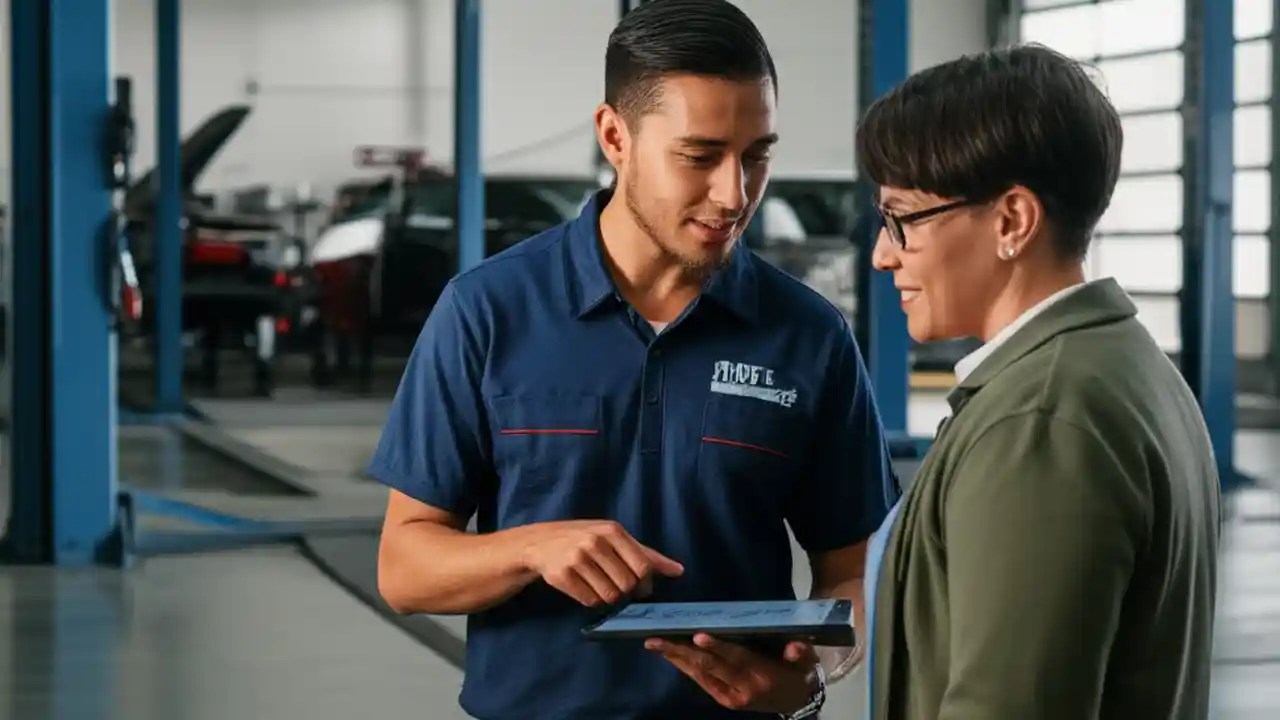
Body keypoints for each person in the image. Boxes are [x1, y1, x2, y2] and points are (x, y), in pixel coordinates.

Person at [367, 1, 896, 718]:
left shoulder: (809, 335)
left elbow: (856, 570)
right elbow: (404, 569)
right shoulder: (487, 312)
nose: (734, 194)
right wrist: (530, 549)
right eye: (700, 156)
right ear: (615, 136)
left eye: (757, 155)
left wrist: (811, 676)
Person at [857, 44, 1221, 719]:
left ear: (1012, 221)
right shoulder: (1120, 364)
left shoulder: (1040, 419)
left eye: (902, 219)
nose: (883, 254)